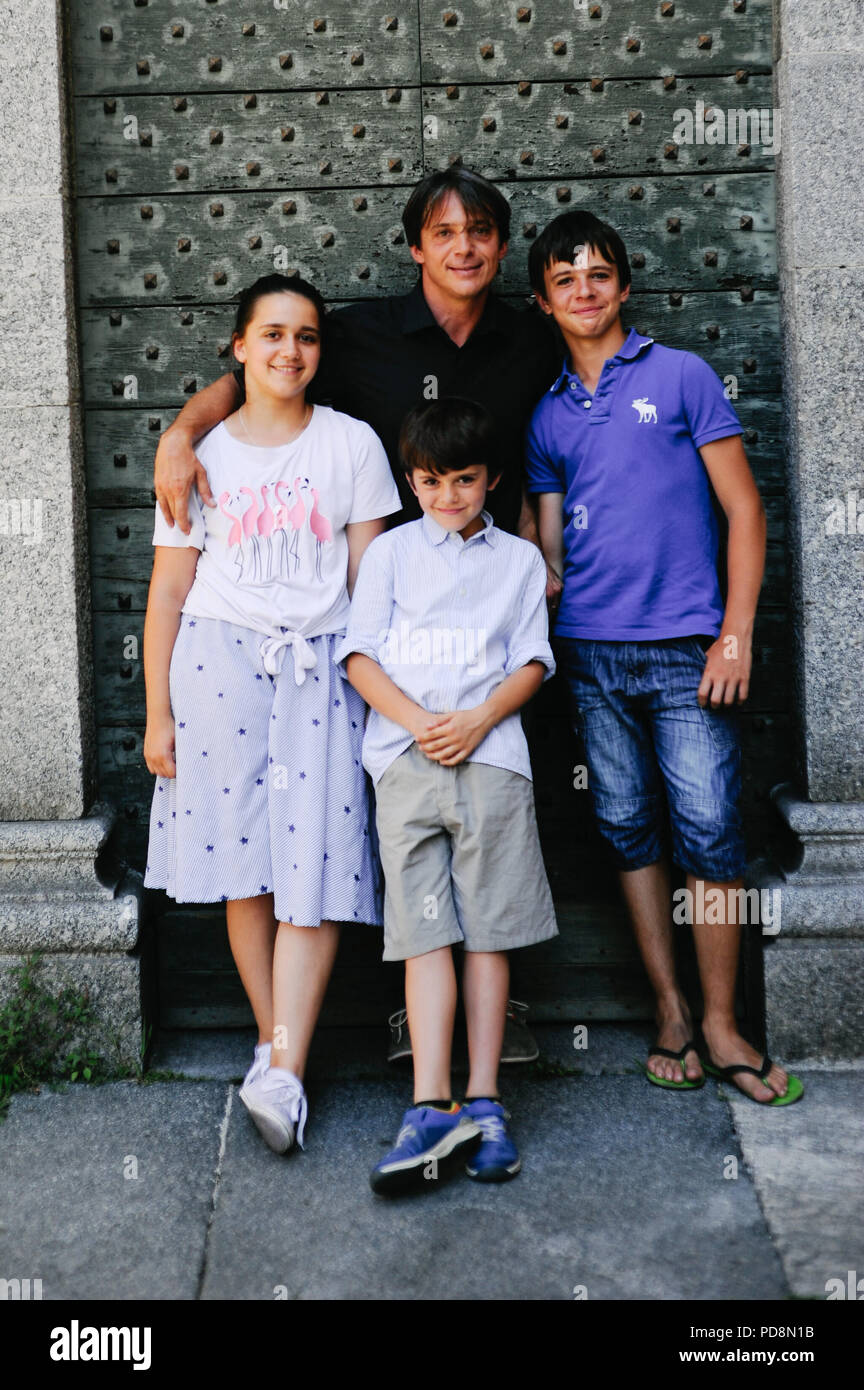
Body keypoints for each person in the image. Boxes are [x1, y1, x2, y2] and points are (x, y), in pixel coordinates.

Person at [152, 166, 561, 1064]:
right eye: (445, 233)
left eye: (482, 231)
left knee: (495, 802)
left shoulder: (535, 339)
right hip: (377, 628)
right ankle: (399, 1011)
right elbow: (267, 367)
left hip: (493, 608)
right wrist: (182, 432)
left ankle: (497, 1012)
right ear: (416, 246)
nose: (464, 248)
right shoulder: (357, 334)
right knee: (385, 820)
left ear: (500, 246)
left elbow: (572, 421)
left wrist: (550, 545)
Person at [525, 210, 803, 1107]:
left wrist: (735, 631)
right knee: (627, 829)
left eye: (600, 275)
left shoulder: (682, 376)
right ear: (543, 300)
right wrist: (547, 581)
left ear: (625, 286)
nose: (585, 291)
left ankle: (723, 1023)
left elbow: (746, 512)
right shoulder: (546, 415)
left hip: (690, 652)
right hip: (591, 658)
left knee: (712, 833)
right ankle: (672, 1010)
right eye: (566, 281)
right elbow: (550, 538)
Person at [142, 273, 402, 1155]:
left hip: (322, 666)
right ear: (240, 347)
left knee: (316, 859)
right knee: (245, 862)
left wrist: (383, 694)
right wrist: (157, 716)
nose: (291, 350)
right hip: (217, 664)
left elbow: (372, 587)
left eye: (308, 337)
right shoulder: (199, 458)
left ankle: (283, 1069)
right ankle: (275, 1047)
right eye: (274, 334)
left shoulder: (352, 445)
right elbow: (168, 593)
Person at [335, 398, 559, 1193]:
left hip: (493, 758)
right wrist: (423, 722)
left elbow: (533, 660)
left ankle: (488, 1101)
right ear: (410, 480)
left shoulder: (519, 563)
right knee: (423, 933)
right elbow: (359, 658)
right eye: (431, 481)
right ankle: (432, 1105)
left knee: (490, 930)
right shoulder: (391, 556)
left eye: (465, 480)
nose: (448, 496)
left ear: (492, 480)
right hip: (404, 758)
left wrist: (477, 720)